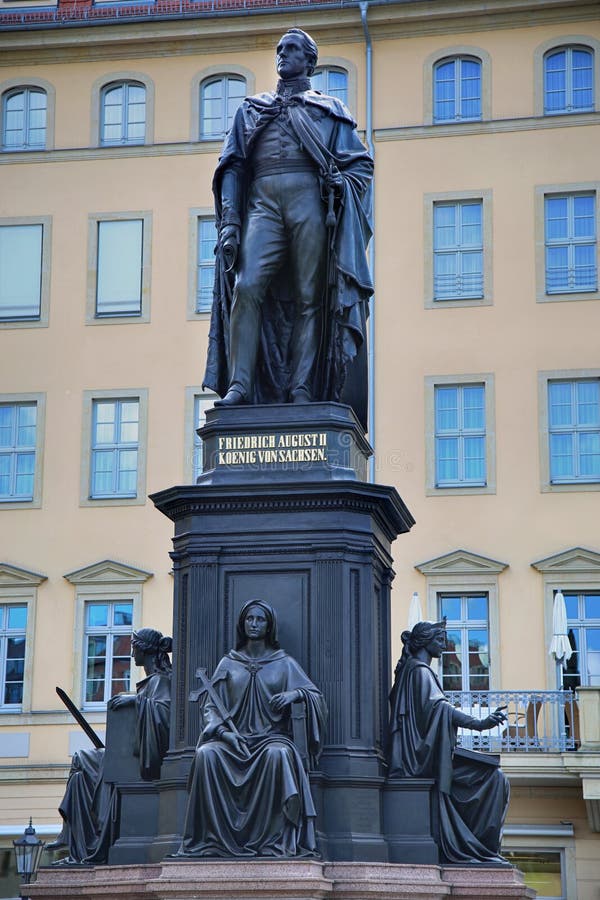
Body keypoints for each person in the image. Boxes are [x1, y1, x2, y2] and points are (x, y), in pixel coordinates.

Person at [203, 28, 373, 429]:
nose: (283, 53)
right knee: (247, 287)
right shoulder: (251, 109)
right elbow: (232, 166)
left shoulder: (329, 109)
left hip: (308, 202)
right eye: (280, 48)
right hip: (263, 201)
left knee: (310, 296)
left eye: (292, 48)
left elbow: (360, 165)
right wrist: (230, 222)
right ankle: (240, 385)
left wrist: (341, 186)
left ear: (310, 61)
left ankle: (302, 387)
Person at [179, 599, 327, 857]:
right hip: (232, 741)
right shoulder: (228, 663)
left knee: (278, 755)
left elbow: (317, 697)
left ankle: (274, 839)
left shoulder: (284, 663)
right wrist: (225, 735)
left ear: (269, 626)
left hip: (271, 739)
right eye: (250, 619)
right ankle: (209, 837)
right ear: (242, 623)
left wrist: (296, 694)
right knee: (206, 755)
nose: (254, 624)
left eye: (260, 620)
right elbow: (211, 707)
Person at [388, 619, 510, 865]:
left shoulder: (412, 670)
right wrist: (480, 723)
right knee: (494, 779)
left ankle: (476, 846)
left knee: (494, 777)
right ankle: (475, 847)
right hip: (421, 760)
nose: (444, 647)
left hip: (423, 753)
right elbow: (441, 710)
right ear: (426, 641)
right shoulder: (420, 672)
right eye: (440, 641)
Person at [49, 628, 172, 864]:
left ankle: (74, 839)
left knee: (82, 760)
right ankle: (71, 837)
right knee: (79, 766)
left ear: (144, 649)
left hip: (144, 758)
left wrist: (135, 701)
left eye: (134, 646)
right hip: (130, 753)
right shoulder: (150, 682)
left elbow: (163, 715)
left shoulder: (160, 680)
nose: (132, 651)